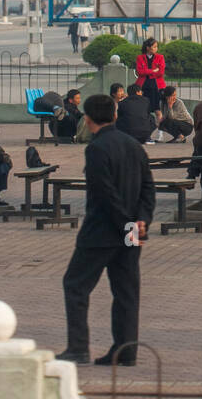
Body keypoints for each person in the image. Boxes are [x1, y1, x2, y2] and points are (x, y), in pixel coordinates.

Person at [57, 93, 156, 367]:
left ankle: (78, 348)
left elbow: (104, 193)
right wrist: (141, 221)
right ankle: (126, 351)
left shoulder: (97, 149)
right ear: (114, 115)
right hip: (132, 231)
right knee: (126, 293)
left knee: (75, 286)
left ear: (87, 120)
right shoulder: (134, 145)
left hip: (101, 233)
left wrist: (126, 224)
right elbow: (148, 187)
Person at [135, 38, 166, 120]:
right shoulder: (140, 58)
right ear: (148, 47)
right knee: (143, 110)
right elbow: (139, 72)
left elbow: (161, 72)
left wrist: (147, 71)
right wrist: (153, 70)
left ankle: (160, 132)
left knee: (158, 111)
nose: (156, 48)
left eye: (157, 47)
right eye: (154, 46)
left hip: (156, 87)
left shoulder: (160, 57)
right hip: (143, 86)